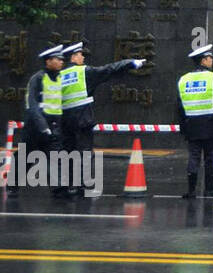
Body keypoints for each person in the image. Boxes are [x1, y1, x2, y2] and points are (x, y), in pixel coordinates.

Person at [59, 42, 144, 195]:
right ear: (73, 57)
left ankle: (66, 185)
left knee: (68, 152)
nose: (83, 57)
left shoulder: (60, 75)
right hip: (82, 119)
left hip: (65, 120)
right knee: (84, 152)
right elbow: (109, 69)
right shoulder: (83, 72)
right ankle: (81, 186)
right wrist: (130, 63)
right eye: (80, 54)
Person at [175, 44, 213, 198]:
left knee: (193, 157)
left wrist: (183, 127)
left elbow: (179, 107)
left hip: (191, 126)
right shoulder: (212, 78)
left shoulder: (183, 80)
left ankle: (191, 191)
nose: (211, 60)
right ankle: (209, 190)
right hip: (211, 125)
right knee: (209, 159)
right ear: (204, 60)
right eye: (209, 58)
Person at [14, 45, 65, 195]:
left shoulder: (61, 78)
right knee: (27, 157)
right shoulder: (37, 79)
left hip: (53, 125)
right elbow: (32, 105)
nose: (62, 62)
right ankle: (13, 183)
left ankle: (58, 188)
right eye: (58, 59)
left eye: (62, 59)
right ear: (48, 61)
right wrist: (43, 126)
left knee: (54, 156)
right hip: (35, 127)